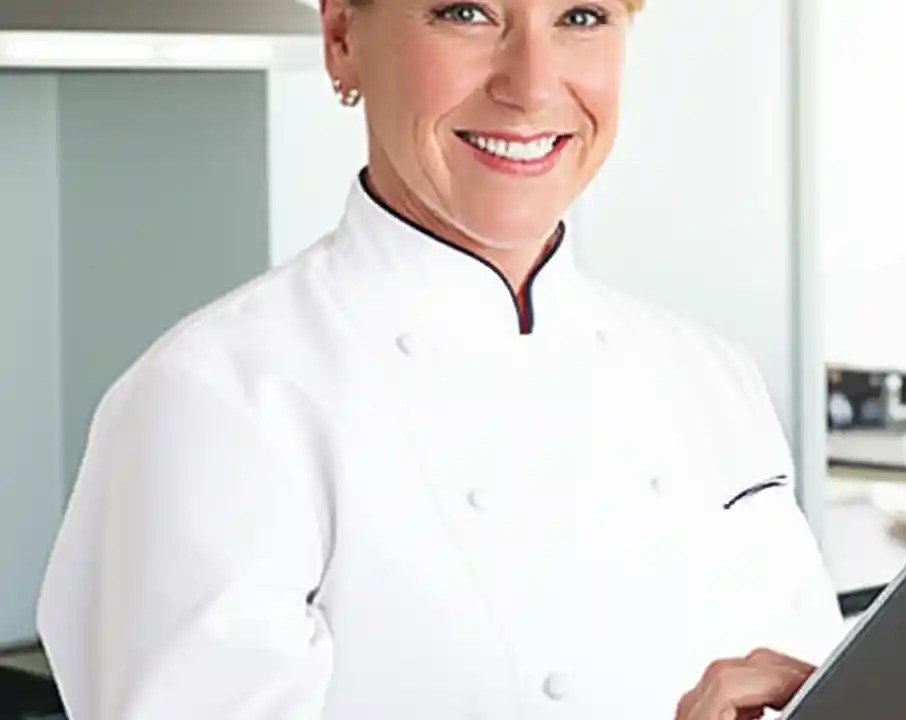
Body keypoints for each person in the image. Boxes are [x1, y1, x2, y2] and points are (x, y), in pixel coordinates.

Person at [37, 1, 843, 717]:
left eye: (582, 17)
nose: (530, 86)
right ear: (343, 38)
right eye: (465, 13)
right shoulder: (216, 401)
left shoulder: (709, 377)